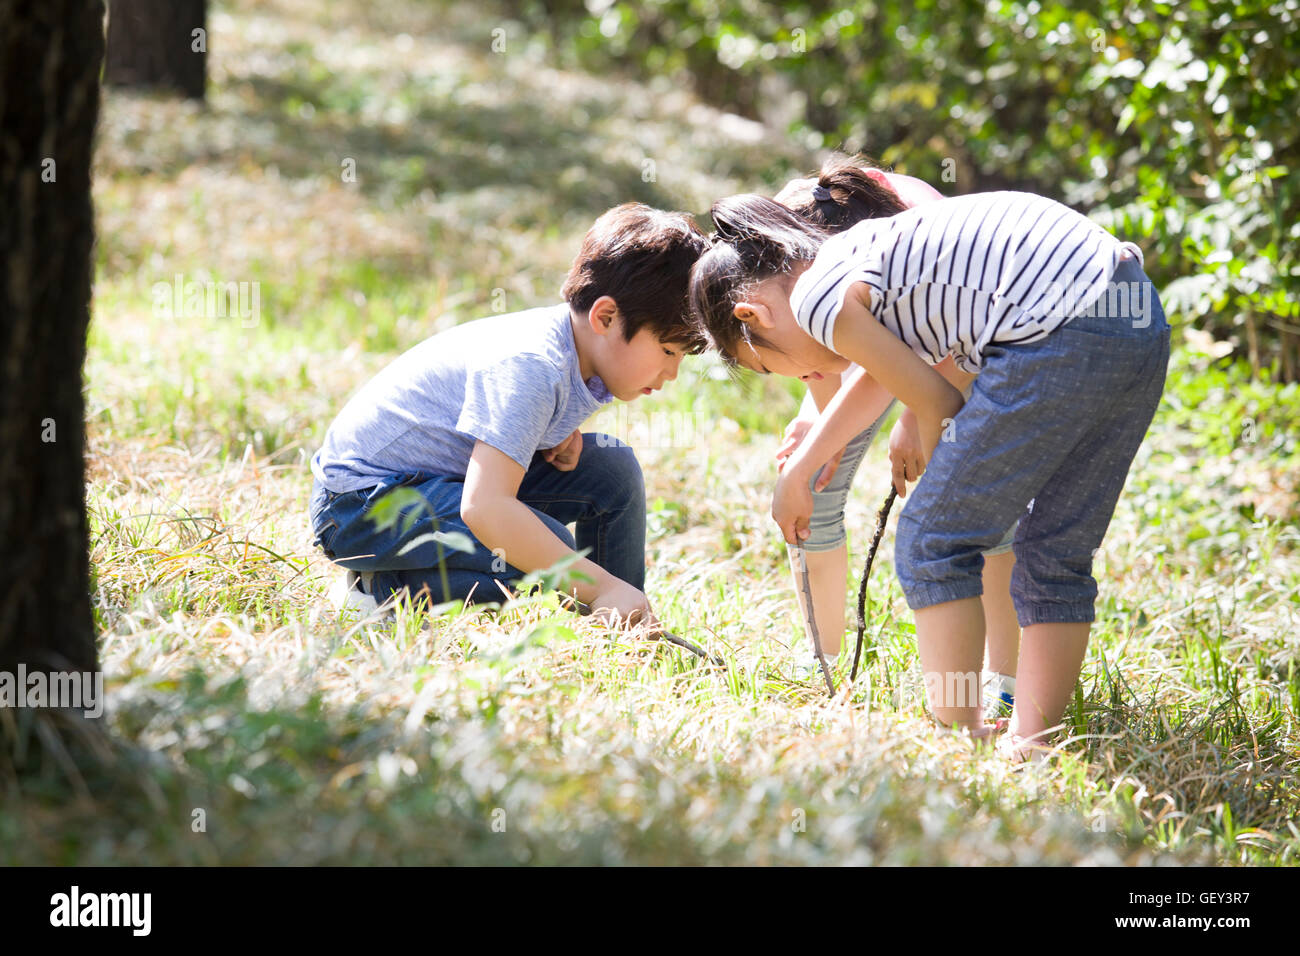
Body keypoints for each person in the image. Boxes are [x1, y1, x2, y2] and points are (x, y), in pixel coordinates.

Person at [689, 189, 1169, 757]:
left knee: (933, 541)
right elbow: (885, 377)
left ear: (753, 316)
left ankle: (958, 736)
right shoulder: (855, 254)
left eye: (773, 365)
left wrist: (945, 487)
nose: (801, 376)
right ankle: (1033, 744)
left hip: (1060, 327)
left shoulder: (816, 295)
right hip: (1133, 314)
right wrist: (804, 466)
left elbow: (937, 399)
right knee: (1055, 552)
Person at [309, 203, 709, 626]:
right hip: (359, 505)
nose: (672, 373)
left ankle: (622, 621)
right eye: (668, 350)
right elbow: (486, 509)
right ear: (606, 317)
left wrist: (554, 433)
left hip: (436, 484)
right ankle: (377, 591)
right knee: (540, 553)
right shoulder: (532, 363)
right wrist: (591, 581)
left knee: (611, 469)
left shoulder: (581, 353)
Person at [772, 158, 1020, 717]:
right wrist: (820, 427)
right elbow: (826, 351)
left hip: (966, 348)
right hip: (869, 347)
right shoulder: (791, 230)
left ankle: (1004, 679)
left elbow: (967, 339)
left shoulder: (928, 221)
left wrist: (915, 411)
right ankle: (824, 663)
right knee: (815, 477)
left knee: (988, 502)